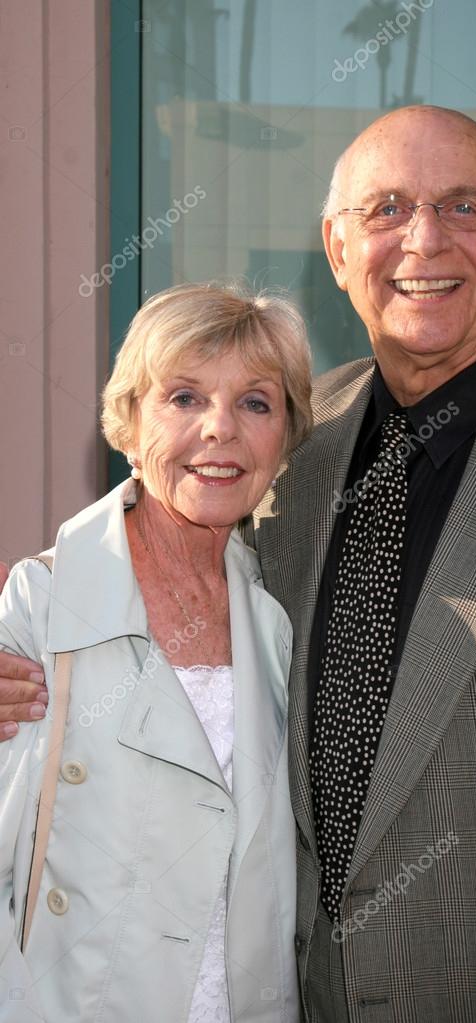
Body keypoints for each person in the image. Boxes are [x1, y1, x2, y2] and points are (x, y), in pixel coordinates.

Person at [2, 106, 476, 1022]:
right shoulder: (288, 443)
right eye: (389, 207)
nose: (424, 239)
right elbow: (162, 555)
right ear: (337, 246)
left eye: (465, 207)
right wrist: (29, 631)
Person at [0, 282, 312, 1021]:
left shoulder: (284, 609)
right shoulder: (43, 603)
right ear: (130, 423)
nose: (220, 430)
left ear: (285, 438)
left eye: (255, 403)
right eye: (184, 398)